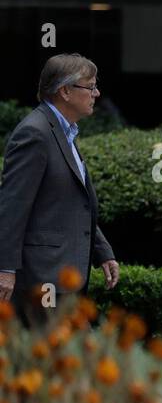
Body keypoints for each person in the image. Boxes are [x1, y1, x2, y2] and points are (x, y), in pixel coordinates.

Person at [0, 53, 119, 323]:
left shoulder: (64, 131)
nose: (97, 93)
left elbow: (72, 201)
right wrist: (4, 269)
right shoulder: (35, 133)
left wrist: (102, 251)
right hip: (43, 279)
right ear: (65, 91)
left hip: (64, 277)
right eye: (90, 86)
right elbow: (11, 207)